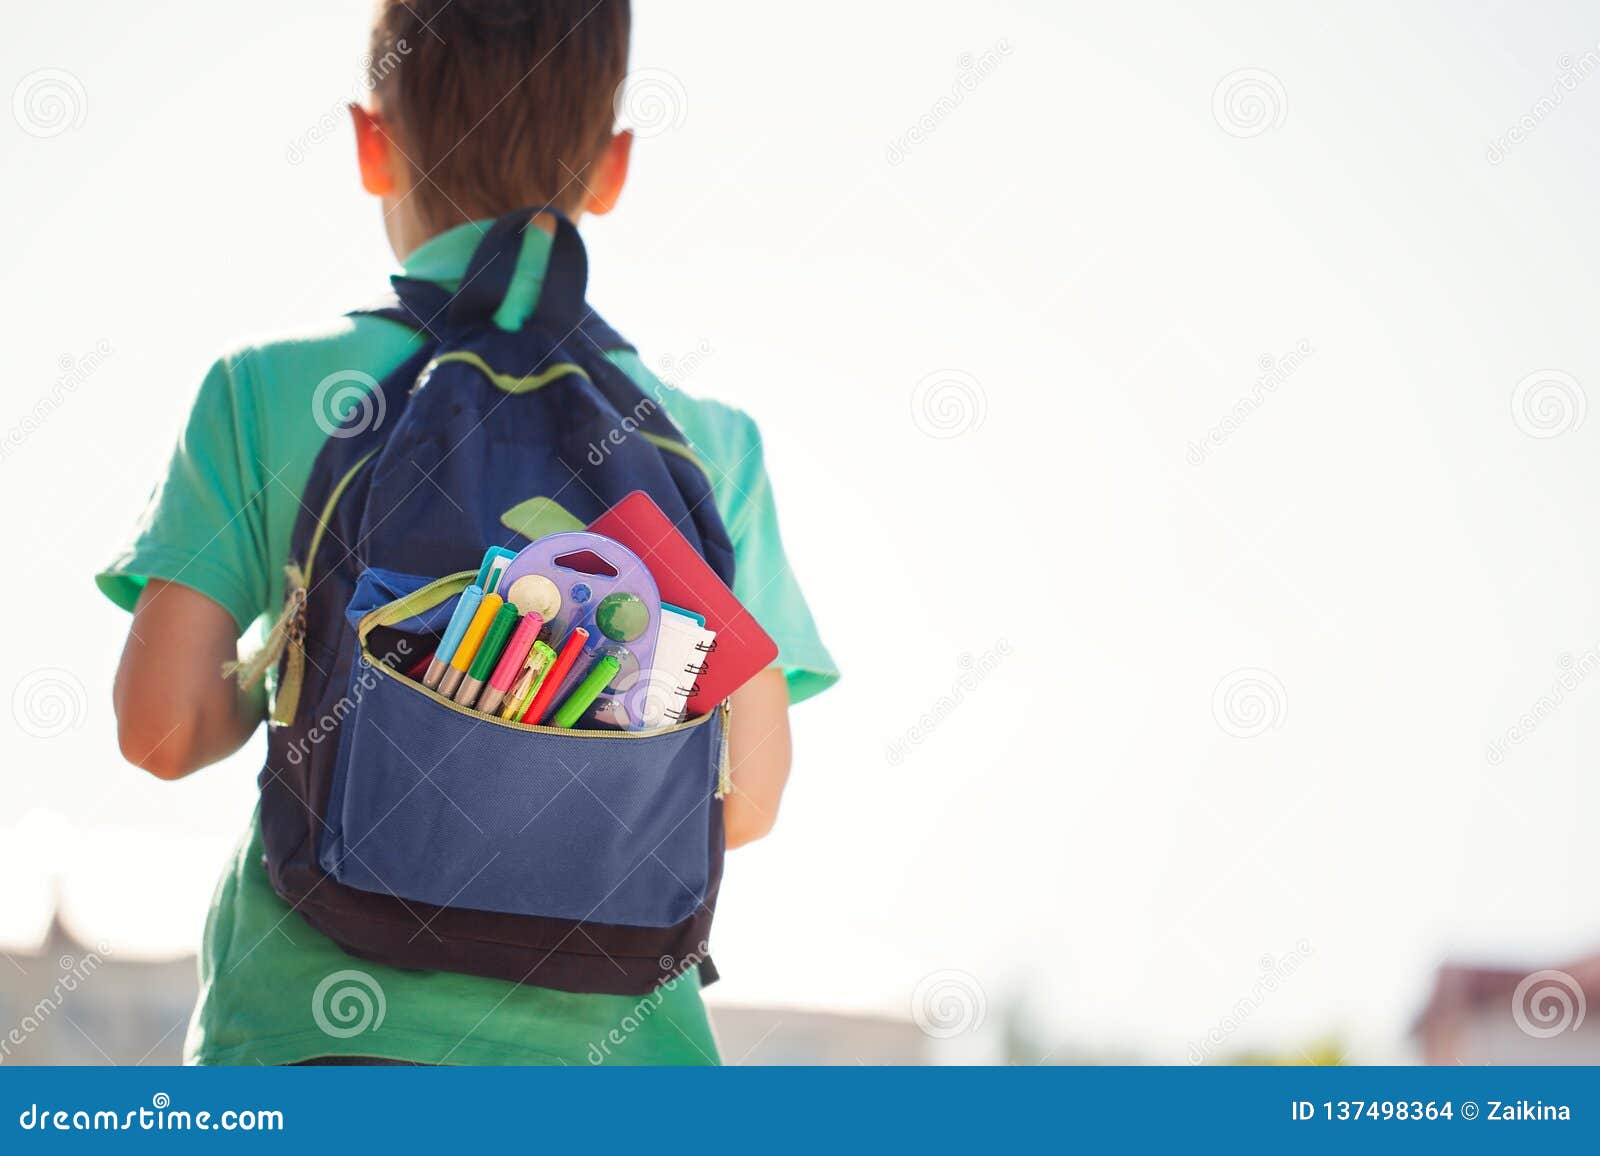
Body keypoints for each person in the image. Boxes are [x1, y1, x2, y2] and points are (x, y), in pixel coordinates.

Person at [97, 0, 836, 1066]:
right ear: (612, 168)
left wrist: (292, 666)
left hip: (314, 1047)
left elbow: (160, 730)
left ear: (370, 143)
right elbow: (750, 795)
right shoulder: (708, 441)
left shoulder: (267, 389)